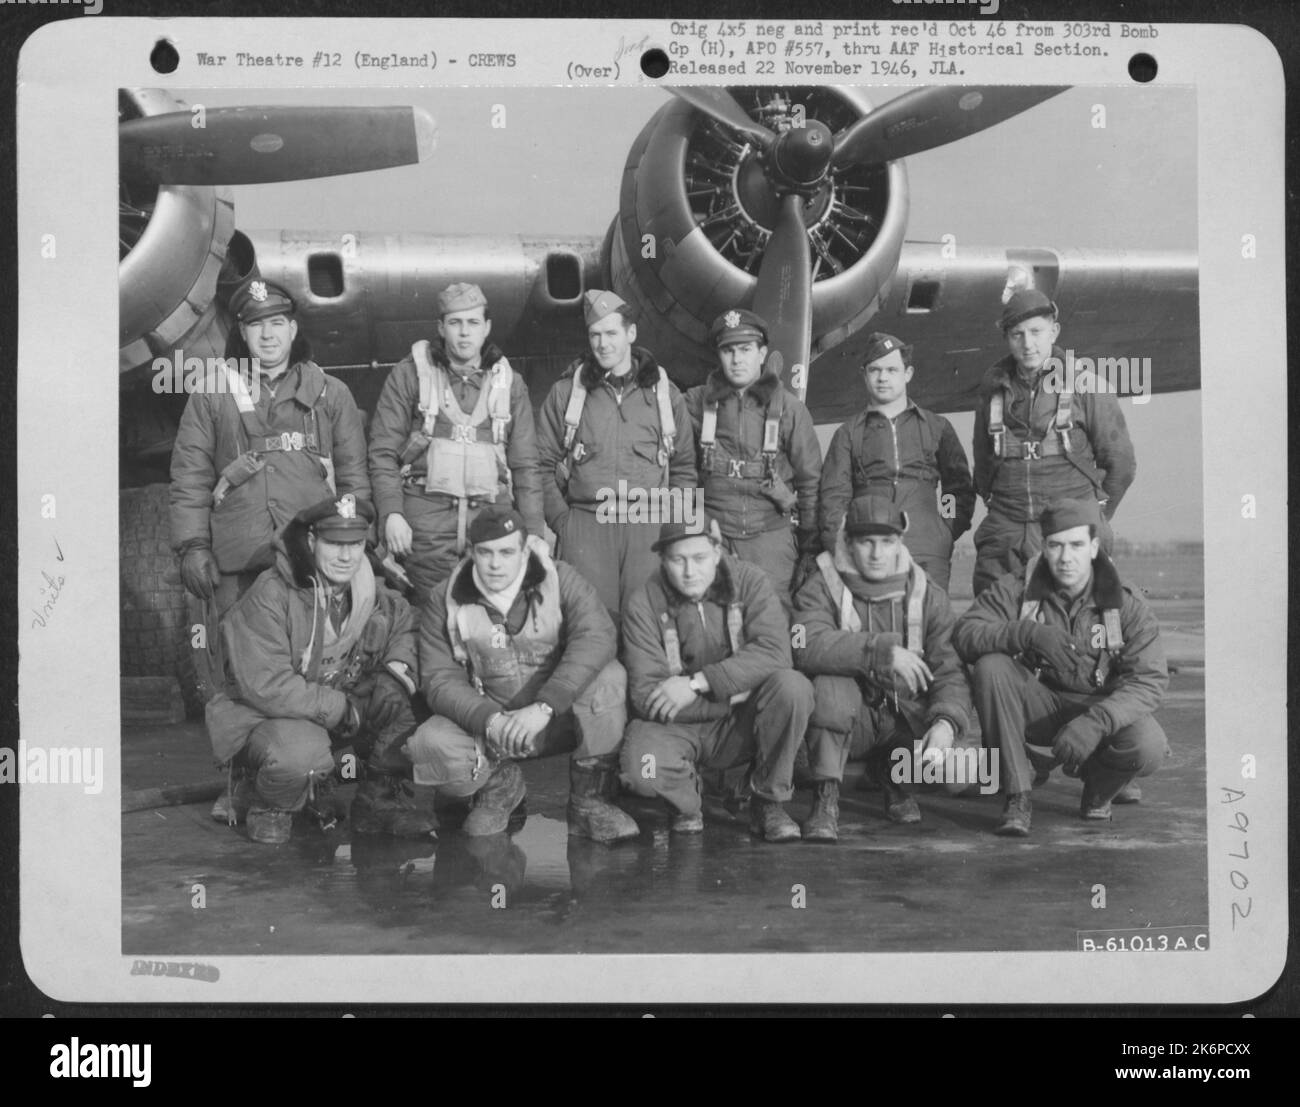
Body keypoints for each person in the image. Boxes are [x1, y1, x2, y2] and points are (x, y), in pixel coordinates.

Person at [170, 278, 370, 685]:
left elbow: (354, 477)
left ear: (293, 330)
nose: (268, 334)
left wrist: (360, 542)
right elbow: (190, 476)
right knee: (240, 673)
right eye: (256, 325)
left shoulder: (332, 394)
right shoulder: (212, 394)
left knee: (313, 665)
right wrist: (192, 546)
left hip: (311, 557)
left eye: (277, 323)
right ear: (242, 332)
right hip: (240, 557)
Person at [205, 495, 431, 845]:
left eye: (355, 544)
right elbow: (268, 686)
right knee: (301, 758)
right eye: (334, 544)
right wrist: (343, 708)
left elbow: (407, 623)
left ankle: (378, 799)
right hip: (266, 717)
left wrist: (397, 671)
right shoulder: (272, 593)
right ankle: (267, 800)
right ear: (312, 542)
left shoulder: (367, 584)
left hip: (336, 708)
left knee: (409, 698)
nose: (346, 556)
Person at [407, 506, 639, 844]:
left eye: (506, 552)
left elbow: (597, 636)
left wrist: (545, 706)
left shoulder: (561, 579)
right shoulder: (445, 599)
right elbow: (439, 678)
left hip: (557, 720)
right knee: (430, 743)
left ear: (524, 550)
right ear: (471, 552)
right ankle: (499, 786)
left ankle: (590, 802)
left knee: (609, 680)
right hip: (490, 728)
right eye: (485, 553)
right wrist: (490, 720)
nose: (496, 564)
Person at [952, 498, 1168, 836]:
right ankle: (1016, 793)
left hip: (1099, 708)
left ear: (1094, 547)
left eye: (1077, 545)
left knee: (1148, 745)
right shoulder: (1018, 588)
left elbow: (1149, 680)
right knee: (991, 667)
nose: (1066, 558)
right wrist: (1027, 633)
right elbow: (965, 634)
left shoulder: (1125, 602)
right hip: (1041, 705)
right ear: (1044, 546)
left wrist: (1097, 723)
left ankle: (1097, 789)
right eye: (1056, 545)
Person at [619, 516, 813, 842]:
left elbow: (776, 653)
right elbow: (645, 695)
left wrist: (697, 684)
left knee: (792, 688)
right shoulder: (643, 602)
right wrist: (738, 690)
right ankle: (688, 802)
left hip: (735, 720)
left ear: (717, 552)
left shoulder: (749, 581)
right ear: (663, 560)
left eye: (699, 558)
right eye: (678, 560)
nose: (690, 571)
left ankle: (767, 801)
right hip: (677, 725)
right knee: (643, 771)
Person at [792, 496, 972, 840]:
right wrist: (878, 651)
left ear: (899, 543)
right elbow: (804, 644)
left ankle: (895, 781)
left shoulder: (925, 591)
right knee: (829, 687)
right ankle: (825, 795)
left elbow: (950, 668)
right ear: (848, 542)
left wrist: (947, 723)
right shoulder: (822, 583)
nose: (877, 554)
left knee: (962, 772)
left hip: (904, 714)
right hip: (851, 716)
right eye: (866, 542)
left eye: (887, 542)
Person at [367, 282, 544, 607]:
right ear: (441, 327)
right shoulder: (411, 375)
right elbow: (382, 453)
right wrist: (392, 512)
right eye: (455, 323)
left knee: (493, 620)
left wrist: (533, 530)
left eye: (473, 323)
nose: (464, 333)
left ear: (487, 327)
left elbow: (525, 466)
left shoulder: (509, 384)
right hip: (426, 527)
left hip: (491, 527)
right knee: (429, 617)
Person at [535, 289, 697, 619]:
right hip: (587, 523)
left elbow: (683, 468)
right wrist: (563, 523)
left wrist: (674, 528)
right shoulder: (567, 393)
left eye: (611, 333)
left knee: (648, 625)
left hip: (649, 524)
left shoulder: (666, 395)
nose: (603, 344)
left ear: (631, 333)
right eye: (595, 335)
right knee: (590, 625)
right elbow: (539, 464)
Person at [970, 290, 1137, 595]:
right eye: (1017, 334)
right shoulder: (993, 390)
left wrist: (1092, 516)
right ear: (1007, 338)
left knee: (1074, 627)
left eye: (1036, 332)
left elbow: (1121, 464)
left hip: (1067, 529)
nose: (1028, 343)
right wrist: (1001, 510)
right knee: (993, 622)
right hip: (1006, 529)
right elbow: (982, 461)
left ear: (1054, 331)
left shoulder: (1087, 387)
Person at [684, 309, 822, 610]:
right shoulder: (694, 403)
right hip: (712, 533)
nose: (737, 360)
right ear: (718, 355)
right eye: (728, 350)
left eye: (745, 350)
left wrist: (810, 547)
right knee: (708, 625)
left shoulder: (790, 410)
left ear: (762, 354)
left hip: (770, 538)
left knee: (772, 621)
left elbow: (811, 483)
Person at [818, 332, 974, 593]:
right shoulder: (848, 433)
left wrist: (945, 528)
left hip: (928, 551)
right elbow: (834, 498)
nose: (883, 378)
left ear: (908, 373)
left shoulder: (937, 427)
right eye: (874, 370)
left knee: (930, 627)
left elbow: (957, 488)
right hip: (870, 554)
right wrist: (846, 545)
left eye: (892, 369)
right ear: (864, 374)